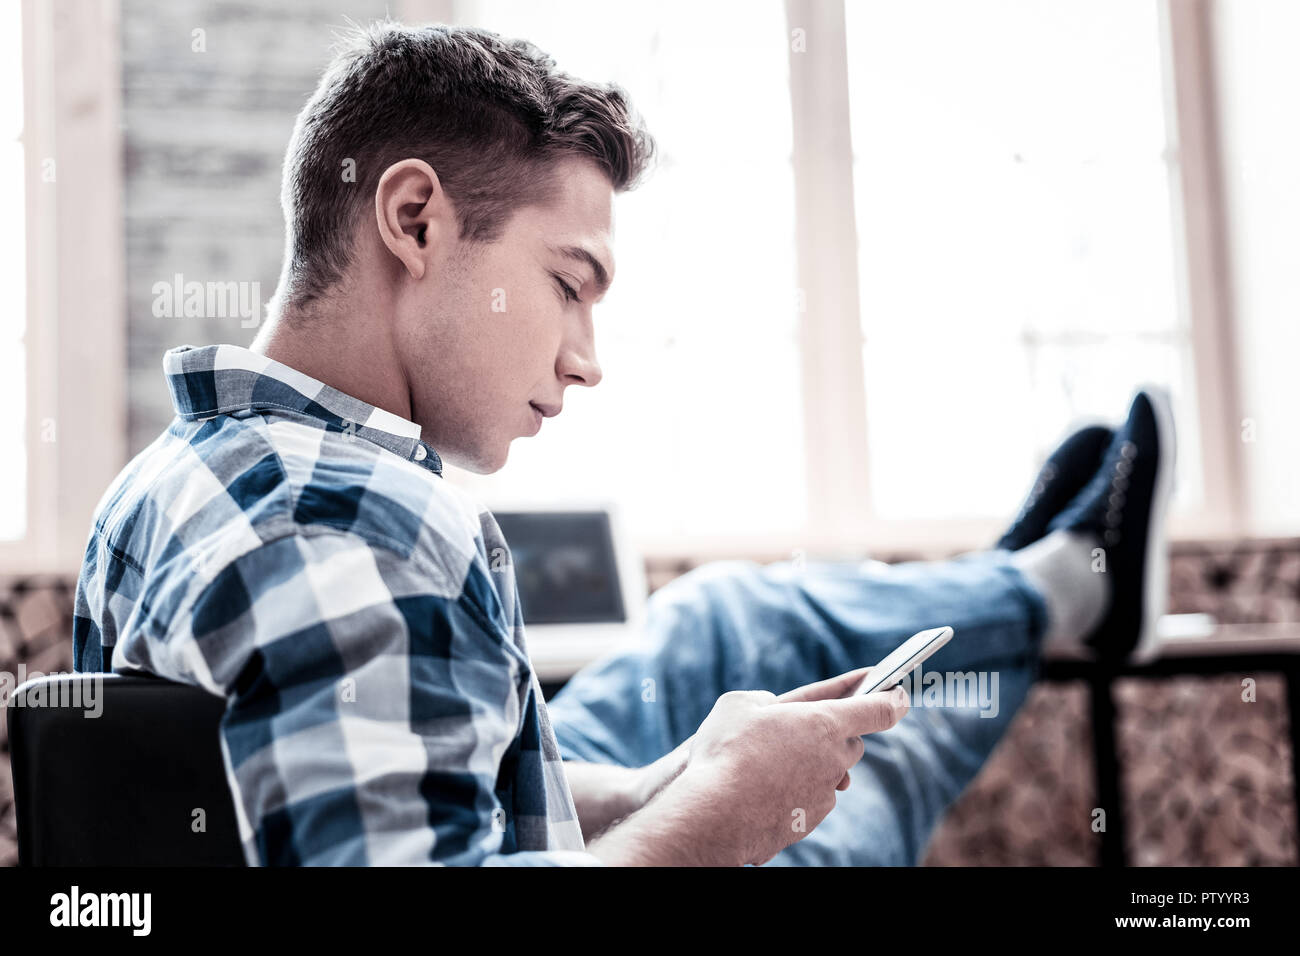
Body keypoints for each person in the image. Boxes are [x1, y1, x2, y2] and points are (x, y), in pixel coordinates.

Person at [71, 21, 1175, 866]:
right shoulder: (343, 528)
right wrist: (718, 817)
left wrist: (672, 778)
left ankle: (1033, 579)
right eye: (567, 284)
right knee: (870, 766)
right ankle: (1054, 589)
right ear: (413, 220)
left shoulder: (185, 472)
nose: (586, 357)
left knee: (720, 617)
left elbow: (455, 791)